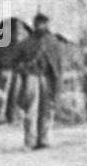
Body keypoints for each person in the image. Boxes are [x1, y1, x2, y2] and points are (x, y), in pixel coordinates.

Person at [10, 12, 62, 149]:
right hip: (32, 77)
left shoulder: (52, 42)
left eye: (43, 23)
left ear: (47, 24)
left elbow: (58, 63)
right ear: (34, 25)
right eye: (38, 23)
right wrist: (22, 68)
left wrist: (57, 79)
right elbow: (13, 61)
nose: (40, 26)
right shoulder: (26, 43)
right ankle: (30, 141)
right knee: (31, 109)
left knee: (47, 109)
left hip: (47, 77)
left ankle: (44, 140)